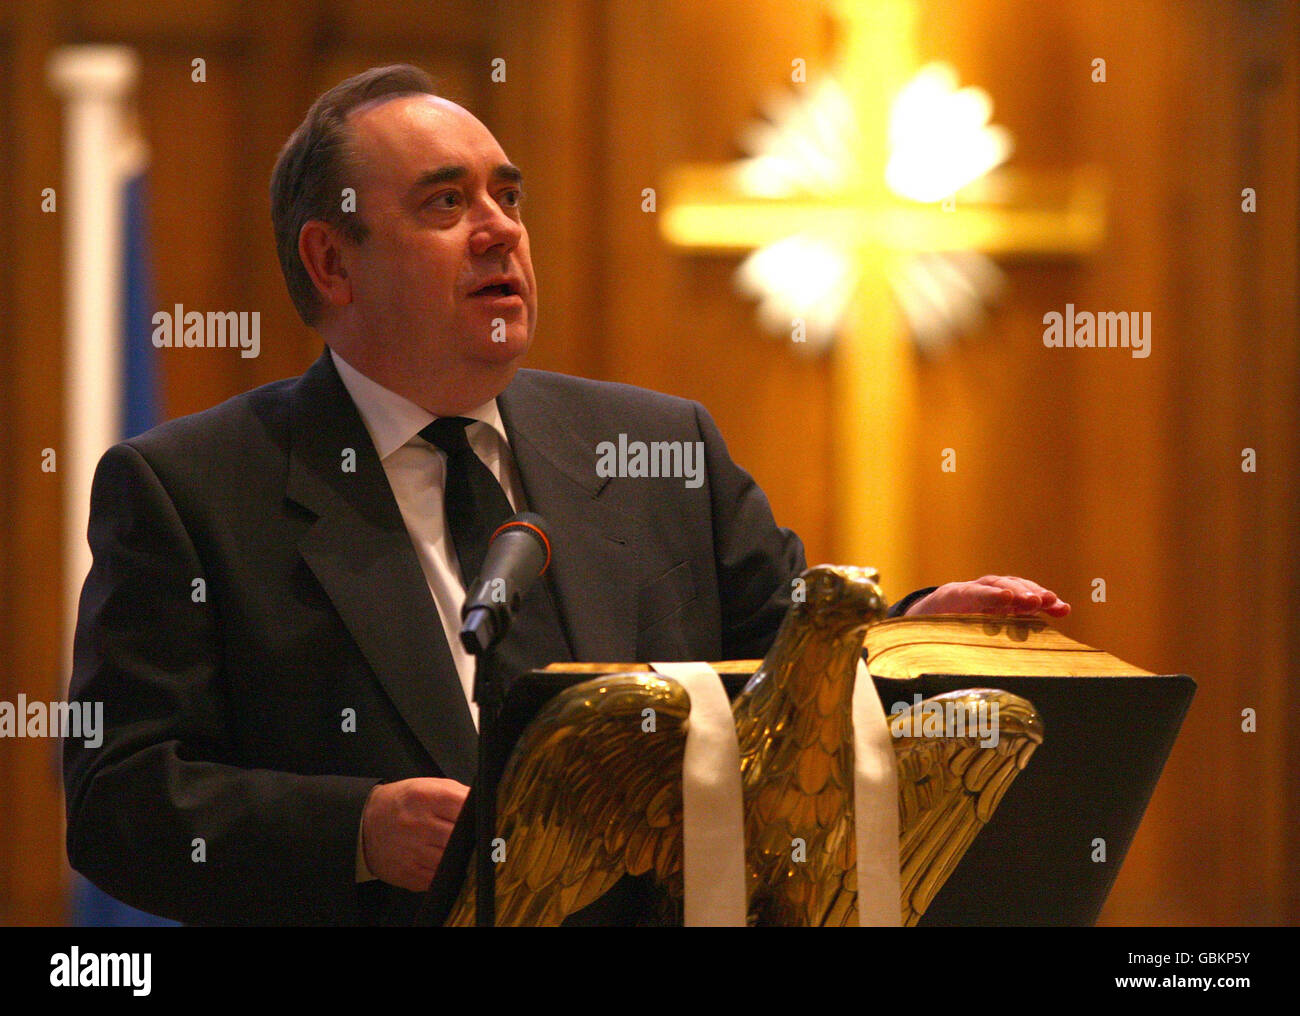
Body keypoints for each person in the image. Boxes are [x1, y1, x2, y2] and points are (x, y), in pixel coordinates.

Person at [63, 64, 1069, 926]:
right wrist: (358, 831)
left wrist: (905, 635)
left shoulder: (659, 446)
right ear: (333, 259)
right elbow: (119, 802)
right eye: (445, 203)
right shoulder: (194, 489)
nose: (500, 231)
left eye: (508, 195)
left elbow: (783, 664)